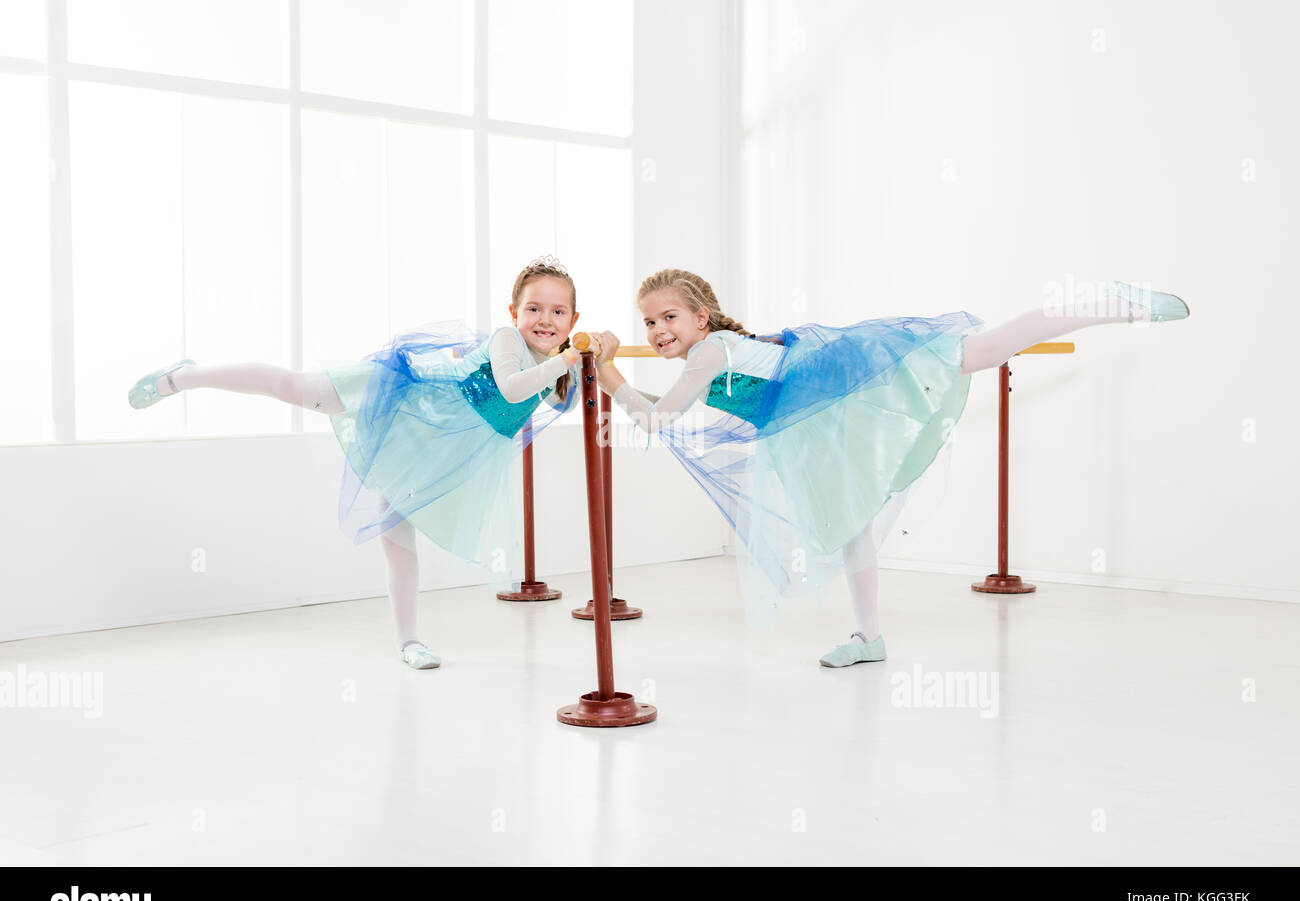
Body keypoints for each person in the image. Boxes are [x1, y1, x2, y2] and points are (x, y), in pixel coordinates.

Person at [586, 268, 1189, 667]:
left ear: (702, 318)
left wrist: (607, 369)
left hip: (846, 389)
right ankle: (867, 636)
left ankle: (1106, 303)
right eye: (648, 321)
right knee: (851, 524)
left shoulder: (710, 351)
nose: (658, 330)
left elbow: (658, 421)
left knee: (981, 351)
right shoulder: (712, 351)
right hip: (818, 422)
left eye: (669, 317)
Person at [127, 255, 586, 669]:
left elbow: (565, 401)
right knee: (294, 387)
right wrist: (567, 357)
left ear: (573, 318)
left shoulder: (555, 366)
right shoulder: (510, 340)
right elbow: (510, 388)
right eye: (534, 308)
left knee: (397, 540)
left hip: (427, 446)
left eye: (558, 312)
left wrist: (588, 357)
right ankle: (183, 377)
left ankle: (409, 642)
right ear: (514, 313)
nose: (544, 319)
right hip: (404, 400)